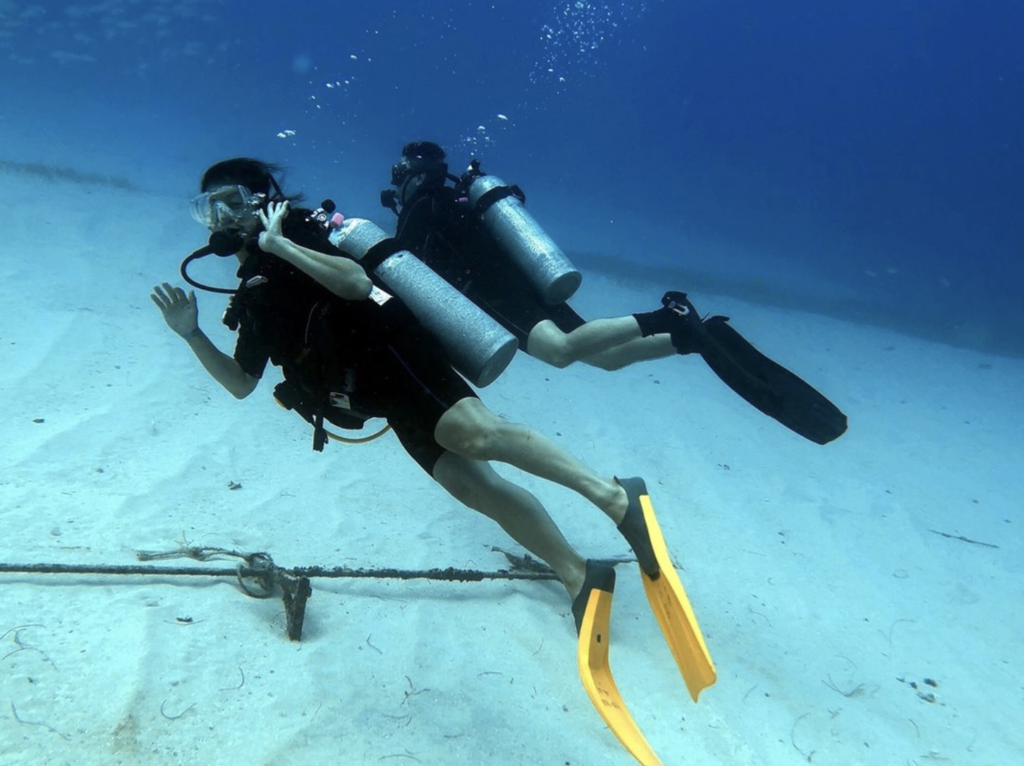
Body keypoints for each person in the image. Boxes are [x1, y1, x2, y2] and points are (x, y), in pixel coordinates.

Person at [151, 158, 662, 634]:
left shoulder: (301, 229)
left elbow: (354, 282)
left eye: (232, 203)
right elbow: (242, 383)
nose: (221, 219)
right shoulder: (251, 288)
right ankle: (579, 575)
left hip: (394, 355)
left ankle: (616, 496)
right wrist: (191, 334)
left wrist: (279, 244)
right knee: (474, 487)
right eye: (209, 209)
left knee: (480, 434)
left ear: (262, 201)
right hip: (372, 395)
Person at [381, 141, 848, 446]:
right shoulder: (453, 198)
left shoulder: (421, 206)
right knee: (602, 355)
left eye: (398, 175)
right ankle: (689, 335)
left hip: (496, 291)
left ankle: (668, 317)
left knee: (562, 351)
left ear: (409, 174)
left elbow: (401, 265)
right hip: (518, 280)